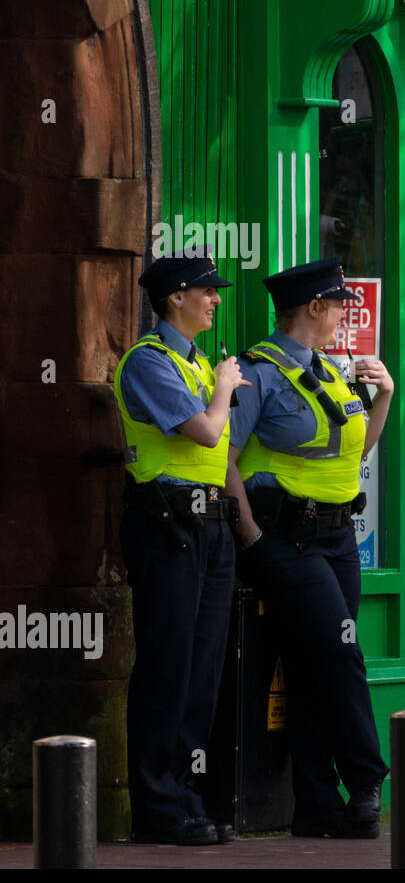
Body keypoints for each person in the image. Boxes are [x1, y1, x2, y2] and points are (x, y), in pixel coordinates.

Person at [225, 256, 394, 838]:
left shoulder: (331, 369)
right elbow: (222, 456)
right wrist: (249, 532)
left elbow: (355, 451)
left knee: (310, 664)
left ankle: (318, 806)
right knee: (343, 652)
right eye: (340, 304)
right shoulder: (258, 373)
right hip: (287, 541)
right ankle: (368, 779)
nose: (347, 313)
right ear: (314, 308)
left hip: (338, 538)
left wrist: (385, 397)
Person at [113, 254, 251, 845]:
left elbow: (221, 459)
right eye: (206, 291)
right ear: (175, 298)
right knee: (168, 665)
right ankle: (158, 805)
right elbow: (207, 432)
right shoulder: (150, 362)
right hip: (168, 526)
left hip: (212, 528)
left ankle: (187, 797)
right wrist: (222, 389)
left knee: (202, 669)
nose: (215, 299)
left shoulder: (195, 365)